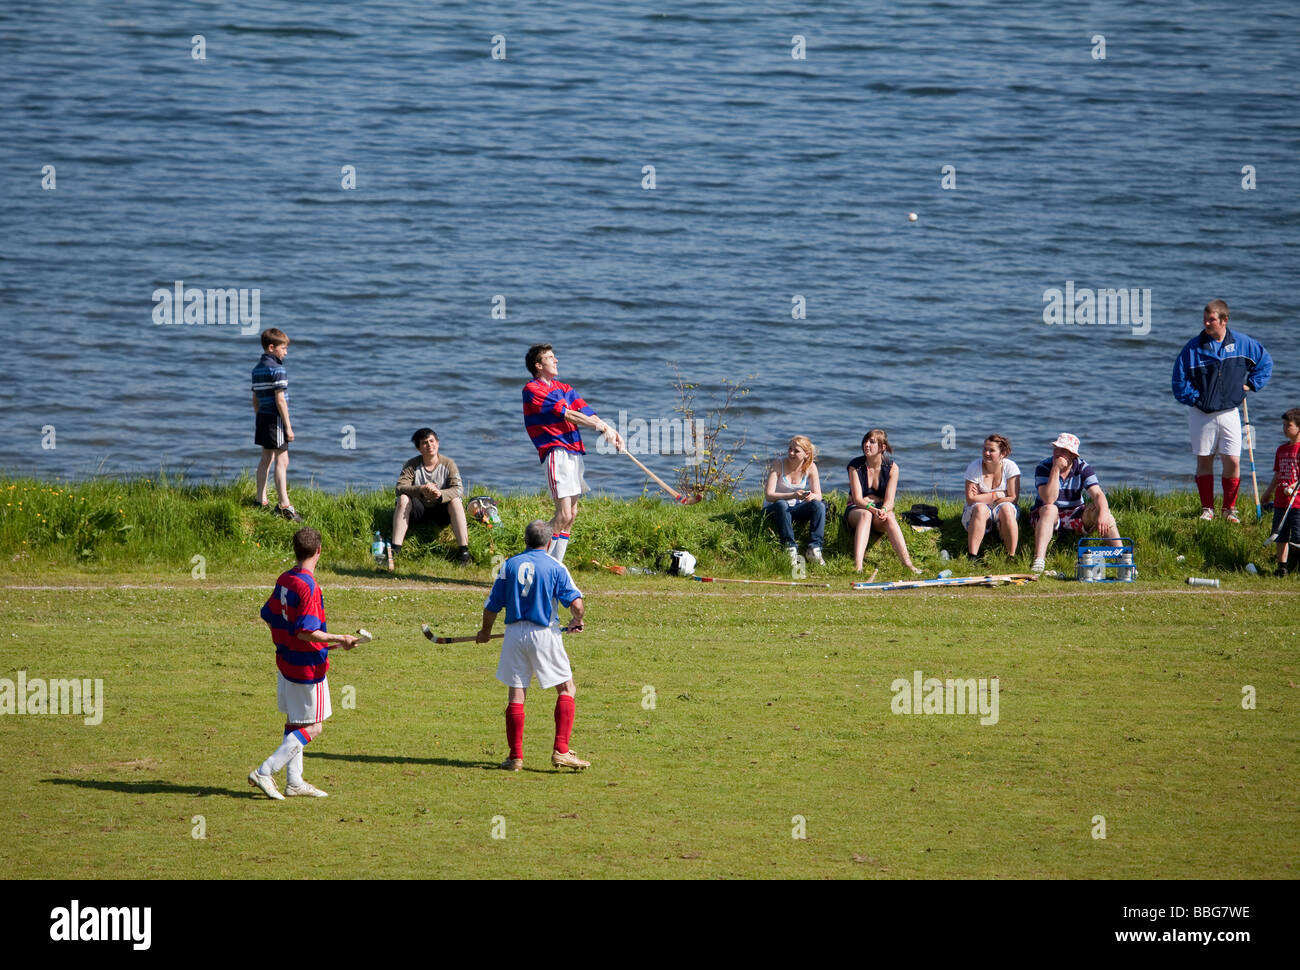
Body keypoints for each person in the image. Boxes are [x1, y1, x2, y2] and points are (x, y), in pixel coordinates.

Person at [249, 527, 357, 799]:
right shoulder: (309, 586)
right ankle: (265, 770)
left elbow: (268, 614)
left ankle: (294, 782)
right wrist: (339, 638)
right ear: (318, 551)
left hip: (286, 661)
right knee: (314, 726)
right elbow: (306, 631)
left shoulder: (285, 579)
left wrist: (286, 641)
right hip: (307, 667)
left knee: (296, 722)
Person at [477, 520, 589, 771]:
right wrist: (577, 620)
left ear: (525, 540)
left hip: (514, 635)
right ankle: (561, 750)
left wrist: (485, 632)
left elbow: (491, 606)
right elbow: (577, 605)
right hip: (544, 634)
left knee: (517, 694)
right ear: (549, 543)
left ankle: (515, 757)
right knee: (566, 688)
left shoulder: (509, 565)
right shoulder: (556, 566)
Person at [1171, 299, 1273, 523]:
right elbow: (1179, 381)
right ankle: (1207, 509)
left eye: (1212, 319)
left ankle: (1229, 509)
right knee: (1204, 460)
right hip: (1201, 414)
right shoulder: (1193, 348)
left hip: (1230, 412)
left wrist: (1252, 384)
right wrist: (1195, 398)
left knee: (1233, 461)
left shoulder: (1243, 344)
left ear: (1225, 320)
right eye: (1205, 319)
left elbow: (1265, 362)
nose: (1206, 323)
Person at [522, 344, 623, 563]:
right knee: (563, 514)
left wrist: (611, 431)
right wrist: (602, 428)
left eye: (554, 356)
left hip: (574, 451)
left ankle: (554, 565)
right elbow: (568, 414)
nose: (556, 360)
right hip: (556, 452)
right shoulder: (533, 389)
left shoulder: (564, 388)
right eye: (550, 357)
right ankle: (537, 564)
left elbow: (586, 412)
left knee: (571, 516)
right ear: (538, 366)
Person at [1028, 433, 1120, 573]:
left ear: (1073, 455)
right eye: (1056, 449)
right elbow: (1049, 499)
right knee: (1050, 509)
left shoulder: (1083, 467)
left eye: (1063, 451)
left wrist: (1102, 513)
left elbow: (1098, 494)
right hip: (1045, 515)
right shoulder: (1044, 467)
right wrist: (1055, 469)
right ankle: (1039, 560)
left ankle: (1123, 558)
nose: (1058, 453)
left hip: (1075, 514)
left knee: (1105, 513)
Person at [843, 429, 922, 574]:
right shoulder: (855, 466)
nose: (867, 445)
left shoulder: (892, 468)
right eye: (865, 441)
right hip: (857, 509)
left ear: (882, 447)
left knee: (890, 516)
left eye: (872, 442)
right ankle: (858, 566)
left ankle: (908, 565)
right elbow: (858, 499)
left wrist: (884, 510)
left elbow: (890, 501)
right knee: (865, 515)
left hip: (878, 511)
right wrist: (872, 509)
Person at [391, 427, 470, 567]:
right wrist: (420, 489)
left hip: (441, 511)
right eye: (425, 443)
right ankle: (395, 550)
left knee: (456, 501)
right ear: (419, 448)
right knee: (403, 498)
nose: (429, 445)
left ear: (438, 443)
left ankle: (464, 553)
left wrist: (440, 495)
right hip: (418, 510)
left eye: (432, 441)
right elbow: (399, 487)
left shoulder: (449, 464)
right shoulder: (412, 464)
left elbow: (458, 489)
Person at [251, 328, 302, 521]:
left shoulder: (257, 369)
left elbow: (255, 399)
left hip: (262, 417)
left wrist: (260, 416)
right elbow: (280, 400)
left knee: (266, 458)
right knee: (283, 460)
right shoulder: (278, 369)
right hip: (276, 419)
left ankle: (260, 499)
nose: (286, 352)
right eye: (284, 348)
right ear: (272, 348)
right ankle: (284, 505)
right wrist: (288, 427)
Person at [764, 435, 826, 567]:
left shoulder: (811, 467)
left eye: (796, 451)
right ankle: (790, 548)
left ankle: (814, 548)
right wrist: (793, 495)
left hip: (795, 510)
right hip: (775, 509)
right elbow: (769, 495)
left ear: (806, 453)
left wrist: (811, 496)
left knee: (818, 505)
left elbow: (819, 495)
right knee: (781, 504)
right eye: (790, 449)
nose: (791, 453)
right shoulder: (778, 464)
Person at [962, 434, 1021, 559]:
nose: (986, 453)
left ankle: (1011, 556)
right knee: (980, 508)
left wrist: (983, 496)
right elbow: (970, 499)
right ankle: (972, 556)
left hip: (1002, 511)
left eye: (992, 450)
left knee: (1007, 509)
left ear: (1003, 453)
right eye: (985, 449)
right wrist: (998, 494)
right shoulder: (974, 467)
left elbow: (1013, 498)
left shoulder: (1011, 467)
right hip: (979, 513)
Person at [1260, 408, 1300, 577]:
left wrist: (1294, 488)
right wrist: (1268, 492)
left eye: (1288, 425)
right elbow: (1277, 473)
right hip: (1281, 501)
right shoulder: (1281, 450)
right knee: (1279, 535)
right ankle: (1282, 566)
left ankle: (1296, 565)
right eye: (1283, 425)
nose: (1284, 429)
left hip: (1297, 502)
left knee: (1298, 537)